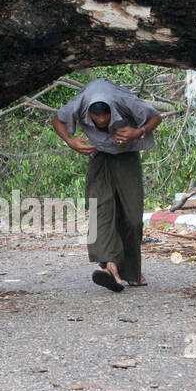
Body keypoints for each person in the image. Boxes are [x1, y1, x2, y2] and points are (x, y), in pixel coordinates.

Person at [51, 78, 162, 292]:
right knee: (100, 209)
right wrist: (70, 141)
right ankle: (108, 266)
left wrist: (138, 132)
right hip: (99, 157)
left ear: (112, 111)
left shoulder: (124, 101)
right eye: (96, 116)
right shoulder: (80, 102)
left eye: (105, 116)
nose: (101, 120)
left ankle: (131, 272)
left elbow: (155, 117)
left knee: (131, 217)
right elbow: (57, 119)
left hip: (126, 157)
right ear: (89, 112)